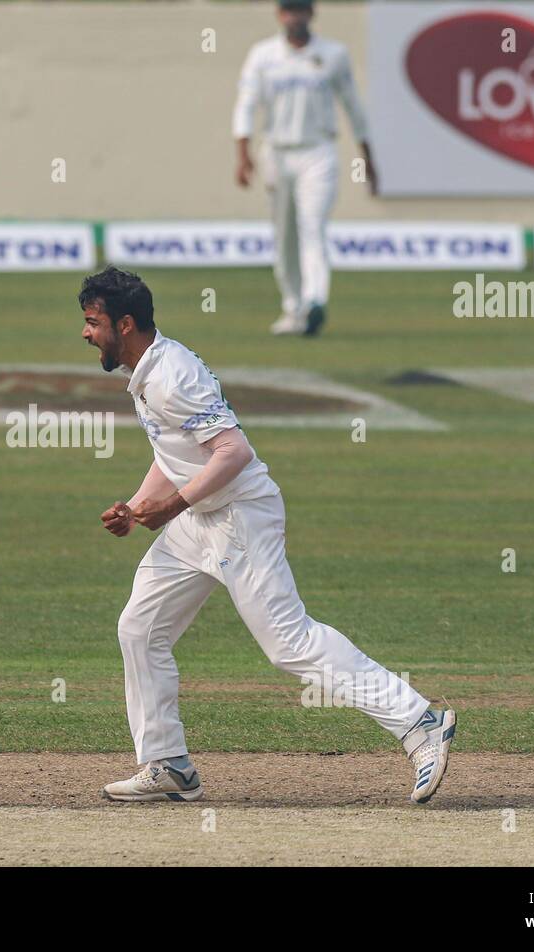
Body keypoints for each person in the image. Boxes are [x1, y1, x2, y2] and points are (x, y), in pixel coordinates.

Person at [78, 265, 454, 803]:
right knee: (140, 628)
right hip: (197, 523)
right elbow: (177, 453)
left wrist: (172, 506)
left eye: (94, 323)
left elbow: (234, 452)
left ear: (127, 324)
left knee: (290, 643)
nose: (87, 333)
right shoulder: (145, 370)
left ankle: (420, 722)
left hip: (239, 517)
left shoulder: (171, 375)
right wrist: (139, 507)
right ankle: (166, 763)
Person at [233, 0, 377, 336]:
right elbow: (245, 106)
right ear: (279, 15)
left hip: (318, 151)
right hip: (277, 152)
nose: (294, 17)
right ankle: (292, 308)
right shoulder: (263, 55)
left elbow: (353, 106)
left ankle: (315, 302)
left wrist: (368, 157)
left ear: (311, 14)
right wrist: (243, 154)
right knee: (285, 235)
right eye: (288, 10)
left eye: (300, 10)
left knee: (313, 226)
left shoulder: (333, 54)